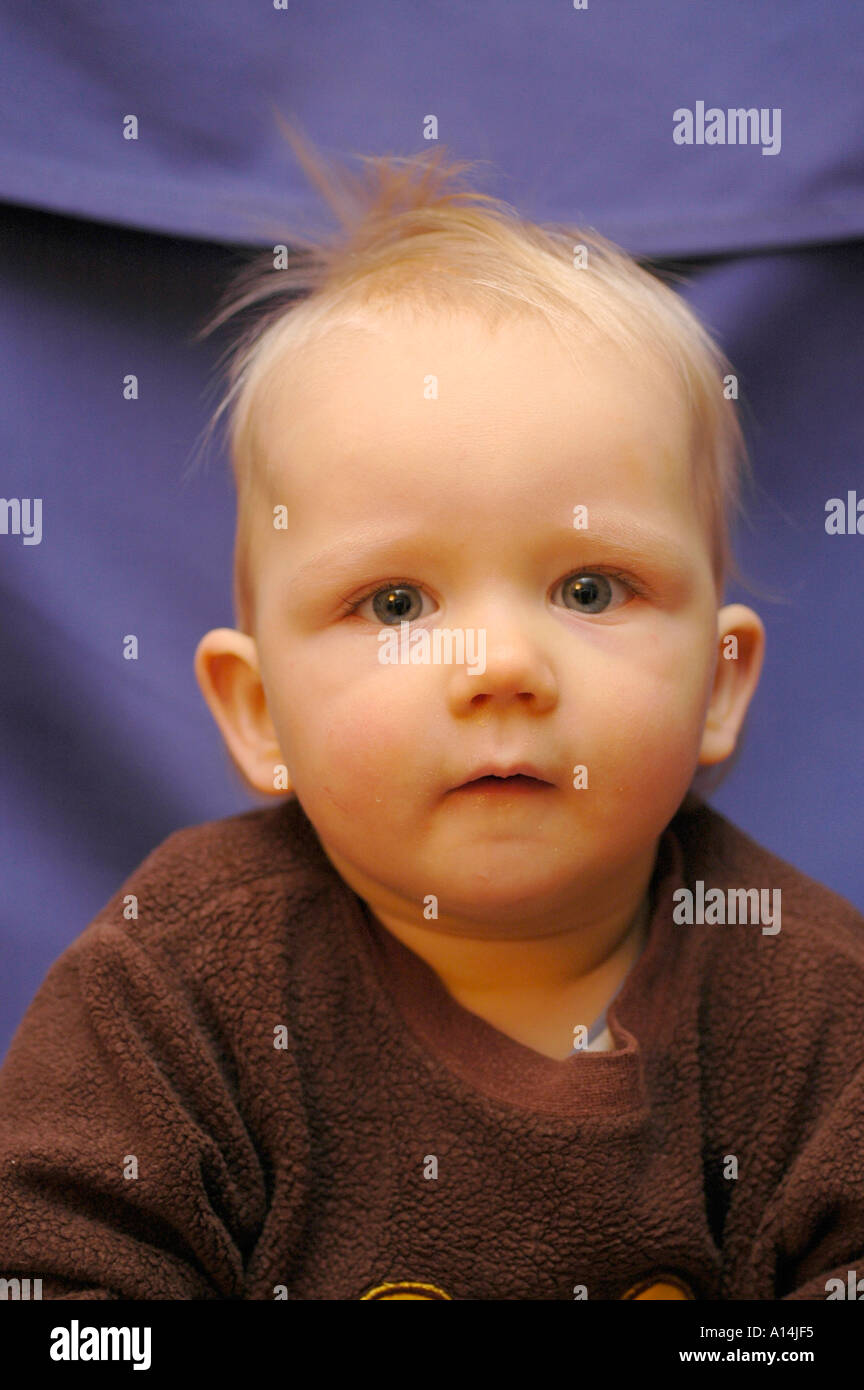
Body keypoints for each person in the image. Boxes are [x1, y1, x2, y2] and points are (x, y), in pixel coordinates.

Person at [1, 130, 862, 1301]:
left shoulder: (813, 1007)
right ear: (258, 712)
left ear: (718, 683)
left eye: (591, 589)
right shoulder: (174, 990)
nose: (498, 664)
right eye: (396, 601)